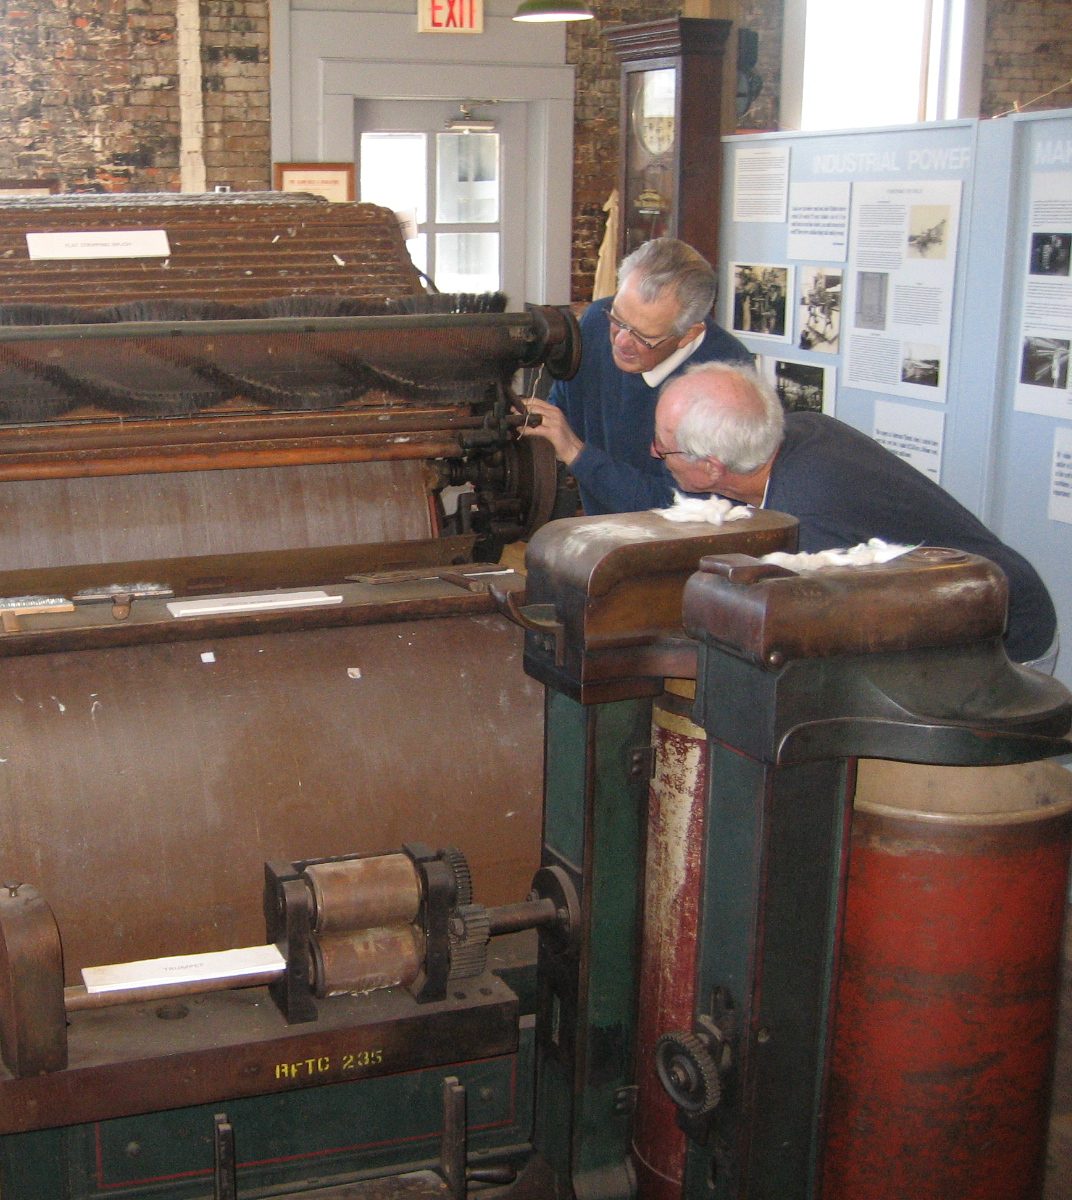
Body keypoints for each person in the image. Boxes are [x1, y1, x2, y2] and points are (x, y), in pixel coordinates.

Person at [653, 361, 1059, 668]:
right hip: (973, 608)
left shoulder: (807, 517)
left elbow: (819, 642)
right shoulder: (798, 430)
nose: (653, 452)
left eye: (661, 445)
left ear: (711, 467)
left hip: (1003, 631)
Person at [522, 238, 752, 515]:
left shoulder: (728, 384)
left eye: (644, 336)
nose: (621, 342)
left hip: (679, 545)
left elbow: (683, 511)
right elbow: (563, 412)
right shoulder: (595, 322)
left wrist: (575, 452)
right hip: (603, 532)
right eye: (618, 320)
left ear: (688, 334)